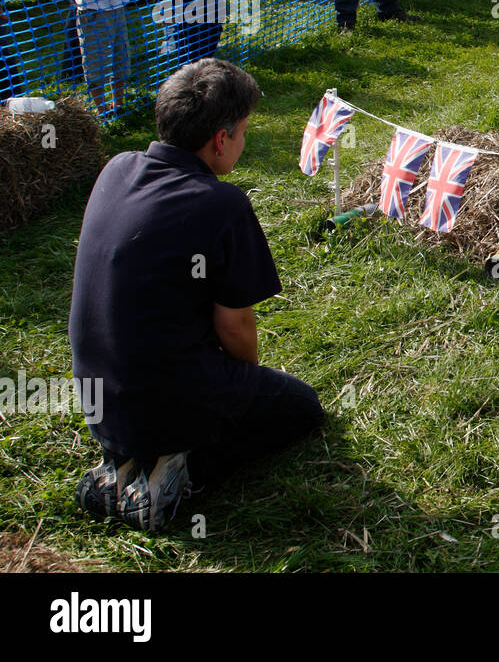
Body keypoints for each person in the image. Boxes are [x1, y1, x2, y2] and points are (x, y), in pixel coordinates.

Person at [69, 58, 325, 530]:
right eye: (244, 130)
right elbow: (235, 326)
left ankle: (123, 461)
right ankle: (180, 468)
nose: (245, 141)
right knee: (302, 407)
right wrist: (242, 388)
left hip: (97, 400)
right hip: (171, 399)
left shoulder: (116, 168)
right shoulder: (222, 203)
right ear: (221, 139)